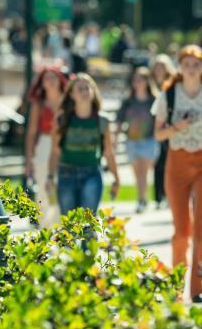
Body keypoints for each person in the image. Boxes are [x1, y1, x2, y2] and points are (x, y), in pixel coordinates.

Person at [152, 45, 202, 303]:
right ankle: (176, 286)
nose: (191, 69)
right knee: (181, 229)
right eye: (186, 64)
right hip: (176, 163)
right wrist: (177, 126)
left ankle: (197, 287)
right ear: (180, 67)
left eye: (196, 64)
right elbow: (158, 133)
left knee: (201, 225)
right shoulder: (169, 96)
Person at [48, 73, 120, 215]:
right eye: (79, 89)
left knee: (87, 225)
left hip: (92, 174)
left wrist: (116, 179)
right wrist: (50, 177)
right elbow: (55, 151)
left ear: (93, 92)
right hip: (66, 175)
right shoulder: (62, 120)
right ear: (72, 95)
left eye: (87, 88)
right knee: (69, 227)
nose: (84, 92)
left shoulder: (103, 121)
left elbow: (108, 152)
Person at [23, 67, 70, 226]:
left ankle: (59, 226)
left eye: (53, 78)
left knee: (62, 186)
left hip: (64, 145)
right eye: (46, 78)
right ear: (42, 83)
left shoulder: (68, 102)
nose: (50, 81)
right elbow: (31, 132)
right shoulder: (40, 105)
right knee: (43, 187)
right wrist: (29, 160)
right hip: (44, 145)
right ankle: (44, 228)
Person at [117, 67, 158, 212]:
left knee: (144, 171)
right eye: (135, 80)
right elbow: (119, 120)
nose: (137, 83)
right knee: (137, 172)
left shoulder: (154, 100)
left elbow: (159, 120)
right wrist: (116, 138)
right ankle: (141, 198)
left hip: (149, 140)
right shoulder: (128, 100)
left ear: (147, 81)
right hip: (131, 141)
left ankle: (142, 199)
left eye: (140, 80)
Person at [149, 54, 176, 209]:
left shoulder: (171, 85)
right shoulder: (150, 83)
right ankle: (159, 197)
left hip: (168, 128)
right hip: (153, 128)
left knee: (165, 162)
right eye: (156, 66)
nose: (159, 69)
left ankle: (166, 196)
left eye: (162, 66)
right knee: (159, 164)